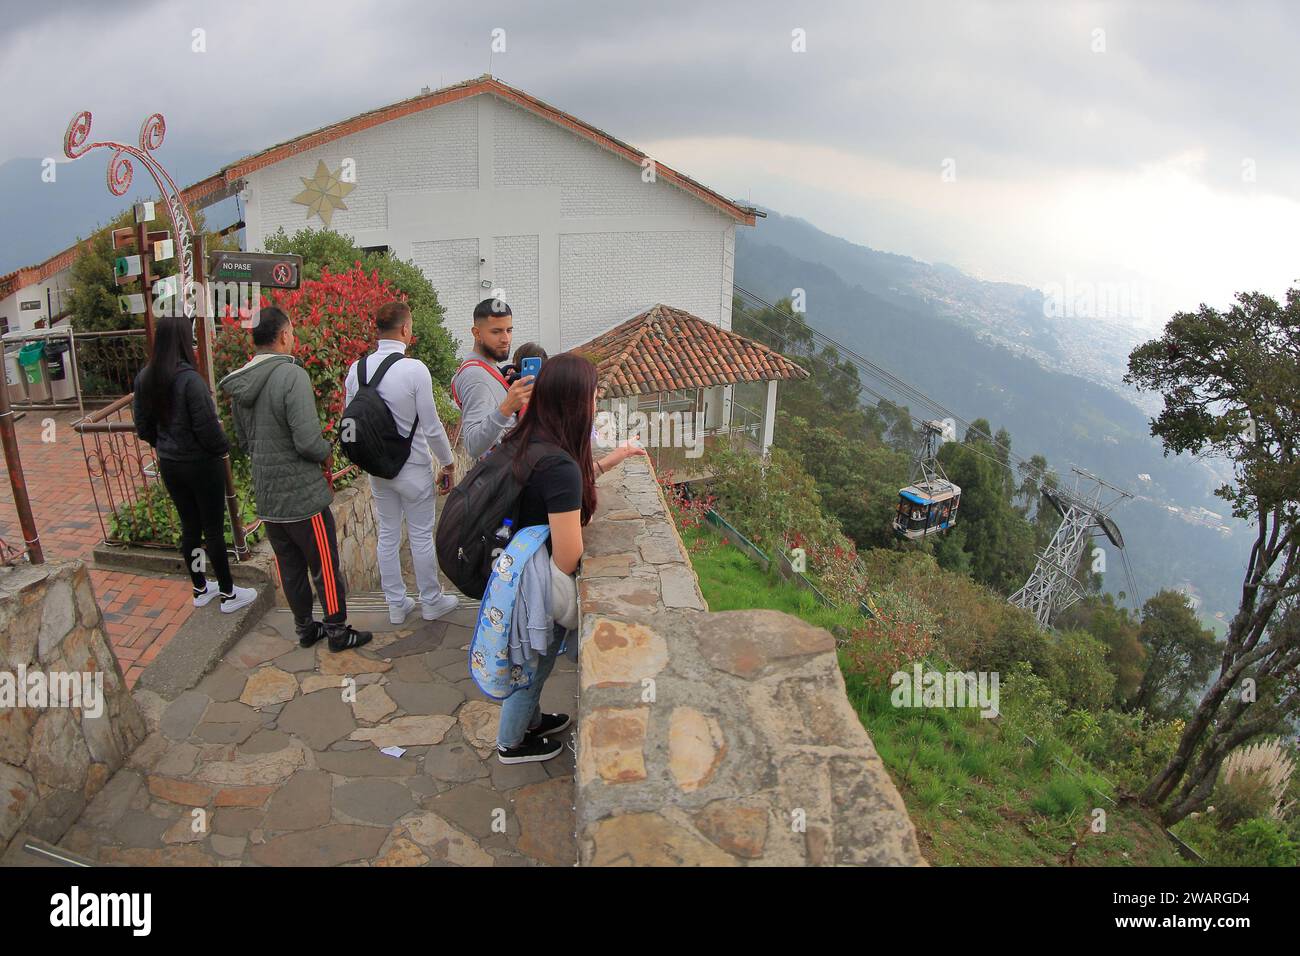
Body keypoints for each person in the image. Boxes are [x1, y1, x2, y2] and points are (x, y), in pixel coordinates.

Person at [492, 353, 646, 764]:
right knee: (534, 664)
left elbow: (568, 483)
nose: (597, 406)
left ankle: (532, 721)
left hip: (516, 570)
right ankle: (512, 742)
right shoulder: (559, 467)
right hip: (538, 581)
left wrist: (615, 458)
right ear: (576, 403)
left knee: (531, 661)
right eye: (594, 397)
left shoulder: (533, 438)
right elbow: (568, 554)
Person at [219, 307, 371, 652]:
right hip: (303, 497)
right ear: (284, 335)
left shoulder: (241, 382)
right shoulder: (291, 376)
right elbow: (306, 441)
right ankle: (336, 631)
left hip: (269, 498)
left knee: (290, 568)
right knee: (325, 567)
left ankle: (305, 629)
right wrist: (325, 450)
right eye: (293, 331)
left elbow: (243, 442)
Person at [344, 302, 459, 625]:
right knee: (421, 535)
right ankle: (431, 600)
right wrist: (448, 463)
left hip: (378, 468)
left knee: (388, 533)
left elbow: (351, 418)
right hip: (413, 467)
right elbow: (433, 425)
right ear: (406, 330)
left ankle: (396, 604)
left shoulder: (357, 369)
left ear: (377, 331)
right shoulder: (414, 370)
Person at [133, 316, 257, 614]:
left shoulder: (145, 378)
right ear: (182, 340)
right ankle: (228, 593)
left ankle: (201, 586)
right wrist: (222, 447)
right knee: (213, 529)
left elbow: (143, 427)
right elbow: (208, 429)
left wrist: (164, 444)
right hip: (202, 464)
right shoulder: (190, 380)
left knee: (190, 527)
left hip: (171, 464)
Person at [449, 298, 535, 459]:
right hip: (502, 478)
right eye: (496, 332)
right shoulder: (476, 377)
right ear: (476, 333)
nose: (506, 339)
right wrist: (507, 408)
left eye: (509, 330)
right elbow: (473, 446)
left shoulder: (487, 366)